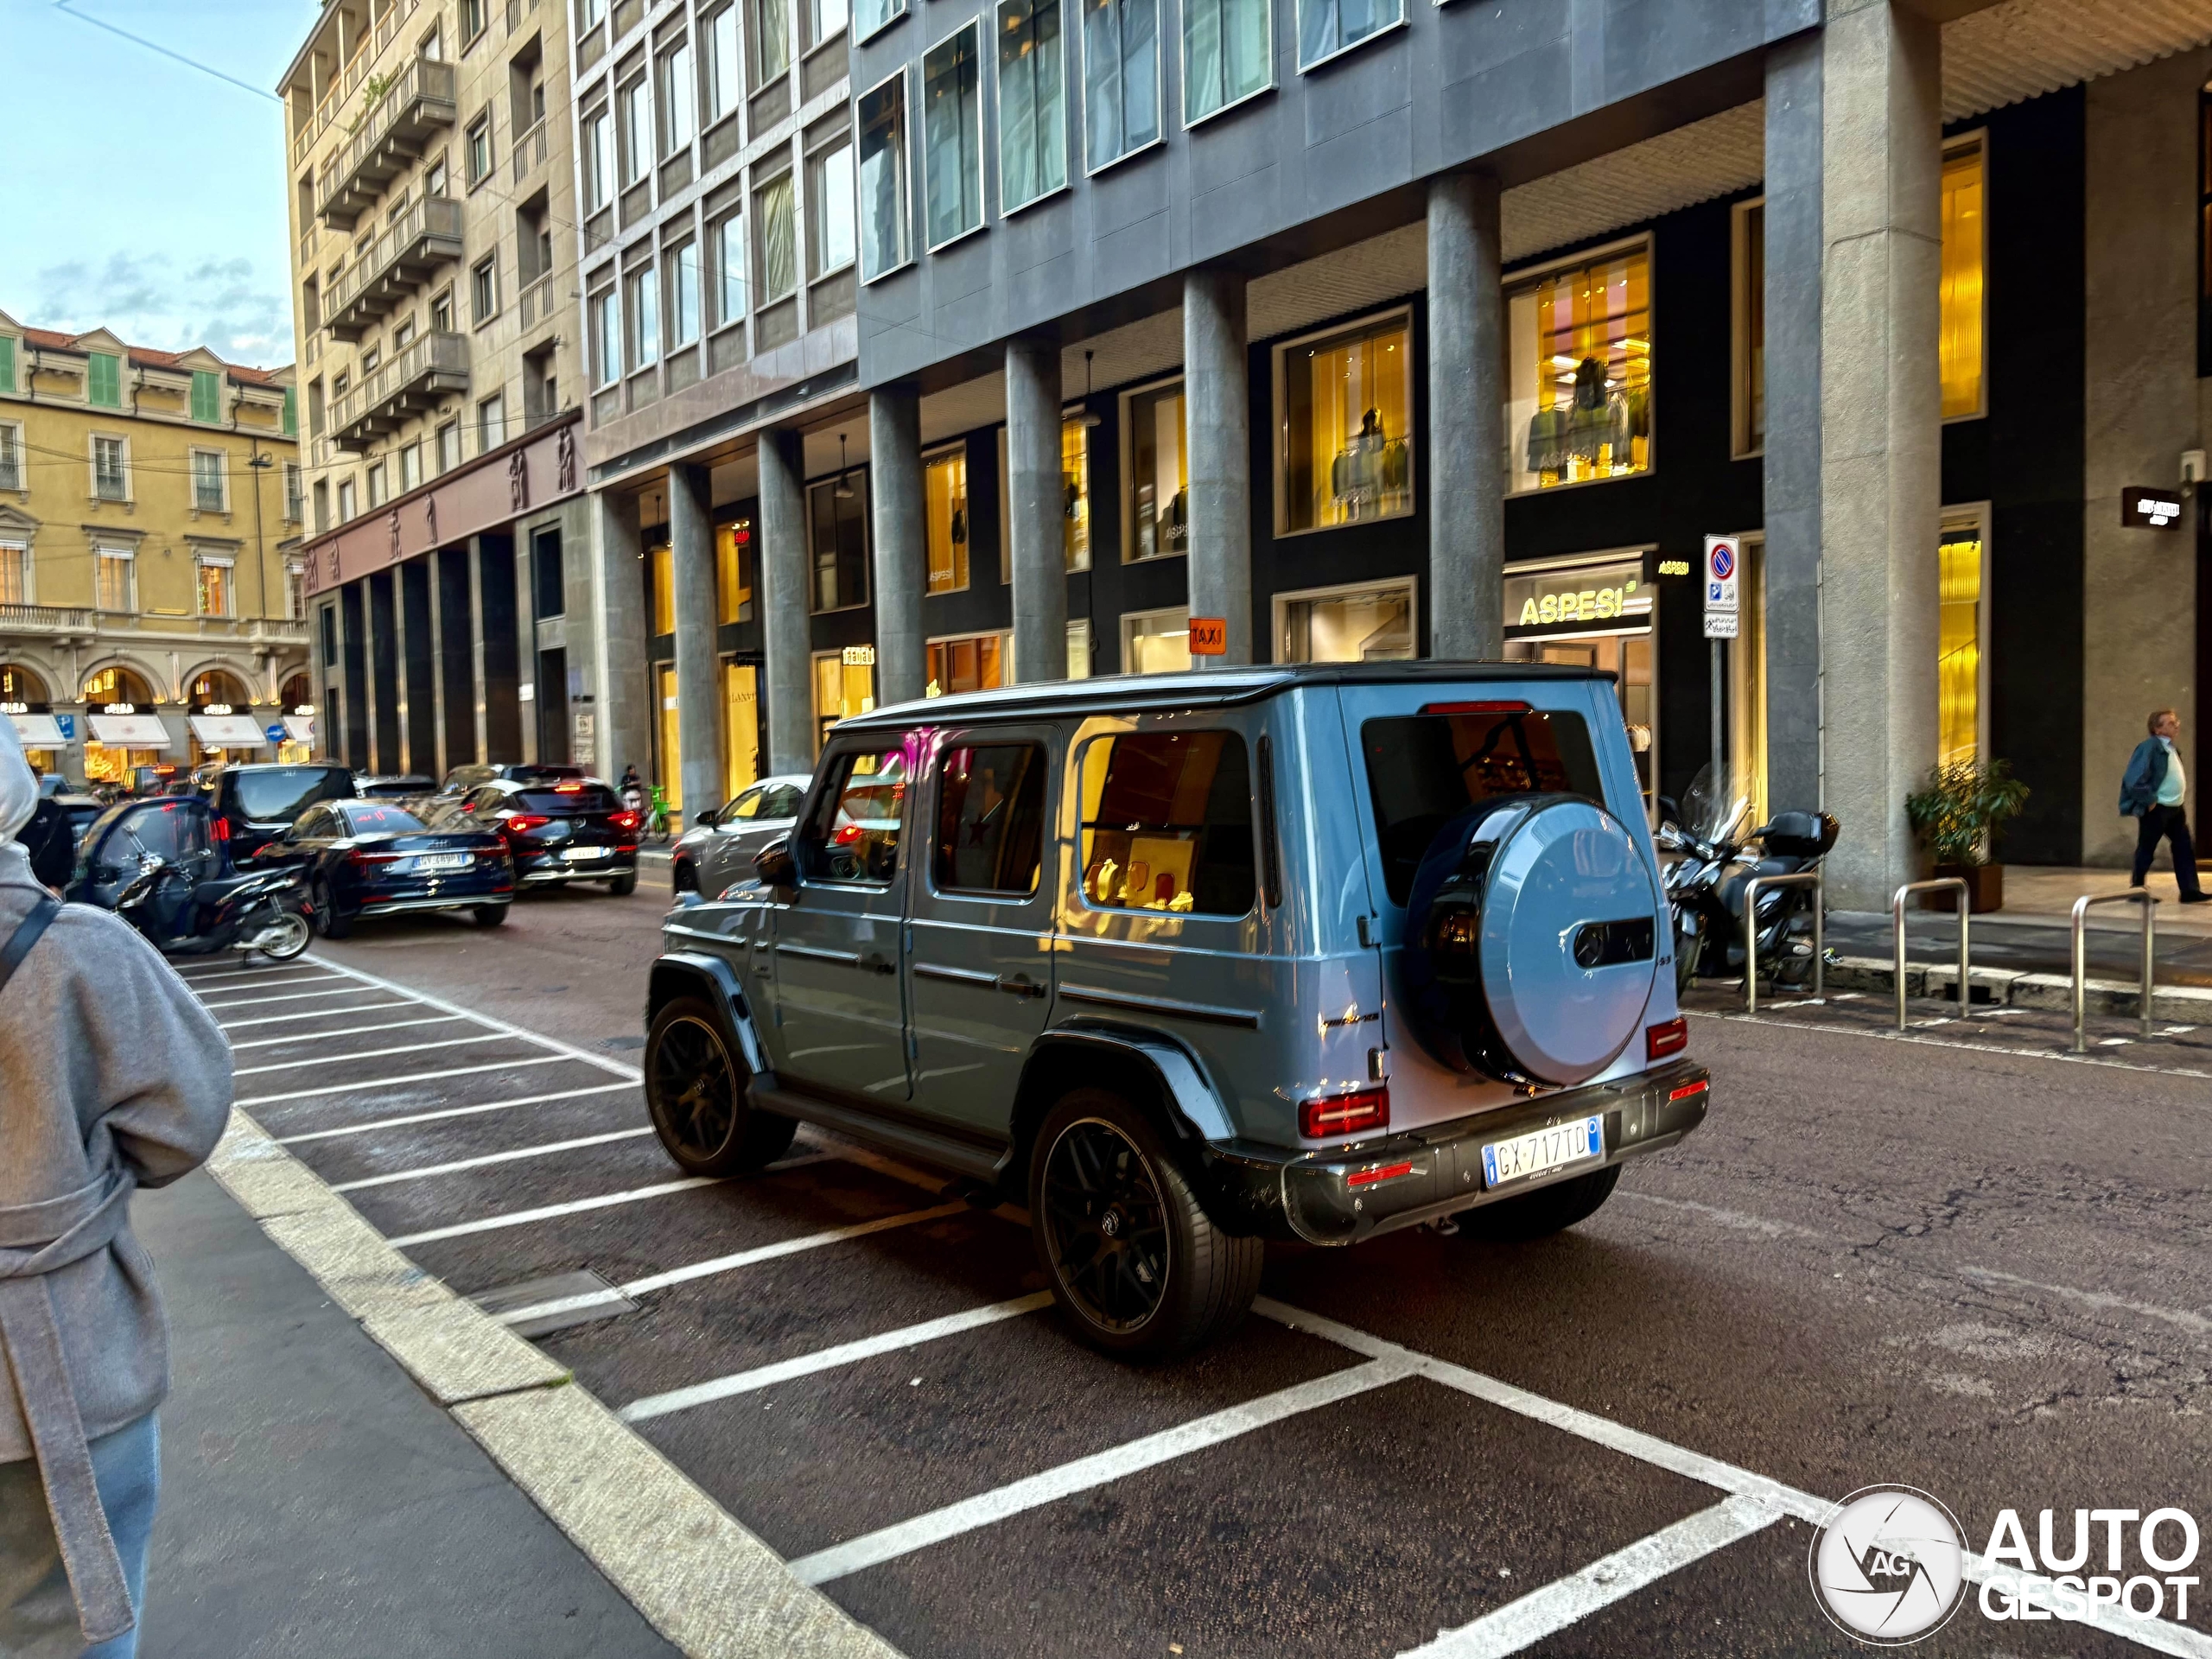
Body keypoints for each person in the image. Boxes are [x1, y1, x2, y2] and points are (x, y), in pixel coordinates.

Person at [0, 718, 234, 1656]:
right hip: (59, 1355)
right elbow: (183, 1119)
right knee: (71, 1629)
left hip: (56, 1357)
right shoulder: (74, 949)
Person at [2120, 707, 2209, 903]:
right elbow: (2133, 779)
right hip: (2158, 807)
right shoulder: (2150, 747)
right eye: (2170, 722)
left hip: (2175, 808)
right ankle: (2137, 889)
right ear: (2157, 729)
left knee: (2184, 847)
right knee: (2147, 848)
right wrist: (2149, 800)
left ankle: (2189, 890)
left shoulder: (2171, 748)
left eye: (2175, 721)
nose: (2176, 725)